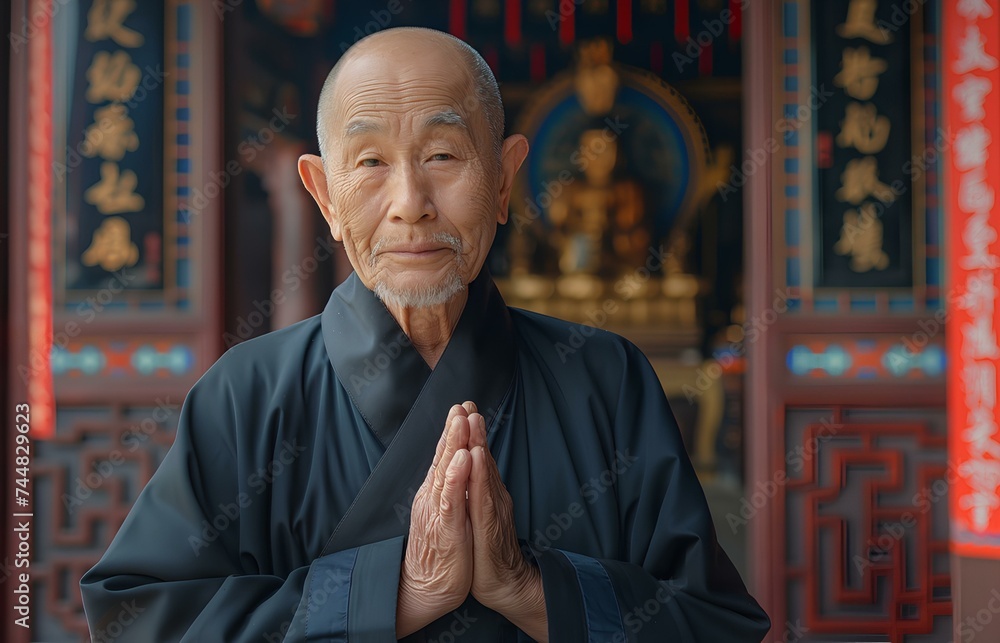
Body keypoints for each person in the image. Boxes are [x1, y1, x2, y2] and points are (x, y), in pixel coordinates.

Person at [81, 27, 770, 642]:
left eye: (443, 154)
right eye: (372, 162)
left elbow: (713, 623)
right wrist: (396, 593)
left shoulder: (604, 378)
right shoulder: (246, 393)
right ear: (325, 195)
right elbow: (139, 617)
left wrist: (530, 588)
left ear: (503, 180)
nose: (410, 201)